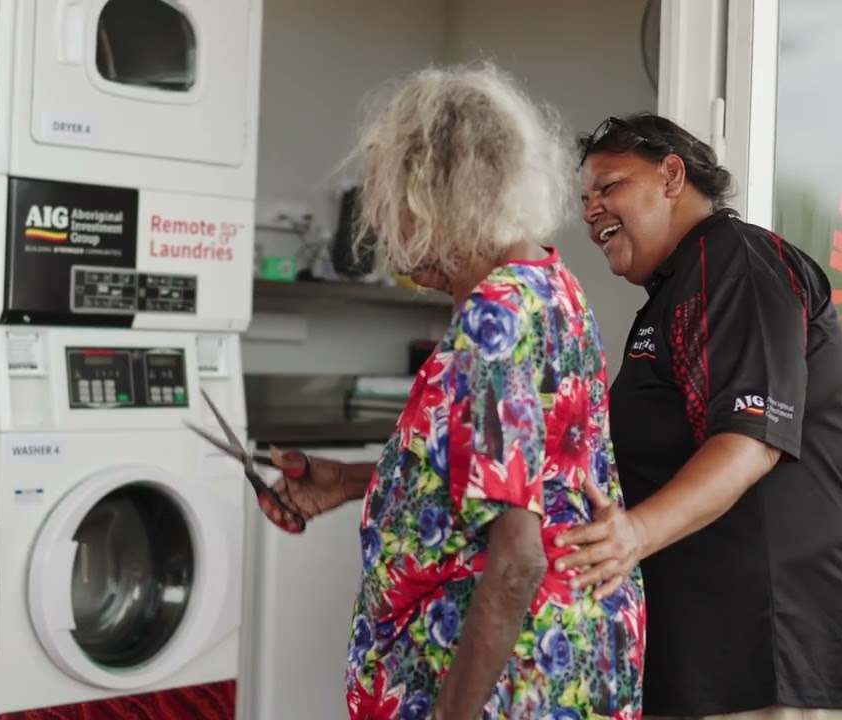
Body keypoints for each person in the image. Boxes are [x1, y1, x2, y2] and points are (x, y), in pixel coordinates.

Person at [262, 63, 645, 720]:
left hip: (509, 676)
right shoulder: (553, 287)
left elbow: (518, 555)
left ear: (430, 194)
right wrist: (357, 479)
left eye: (385, 196)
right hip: (580, 654)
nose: (382, 226)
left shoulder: (491, 321)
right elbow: (528, 472)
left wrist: (452, 715)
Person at [560, 111, 842, 720]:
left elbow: (750, 439)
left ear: (671, 175)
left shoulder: (734, 259)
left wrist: (633, 534)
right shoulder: (676, 288)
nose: (590, 210)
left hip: (775, 651)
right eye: (584, 198)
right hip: (712, 653)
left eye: (609, 188)